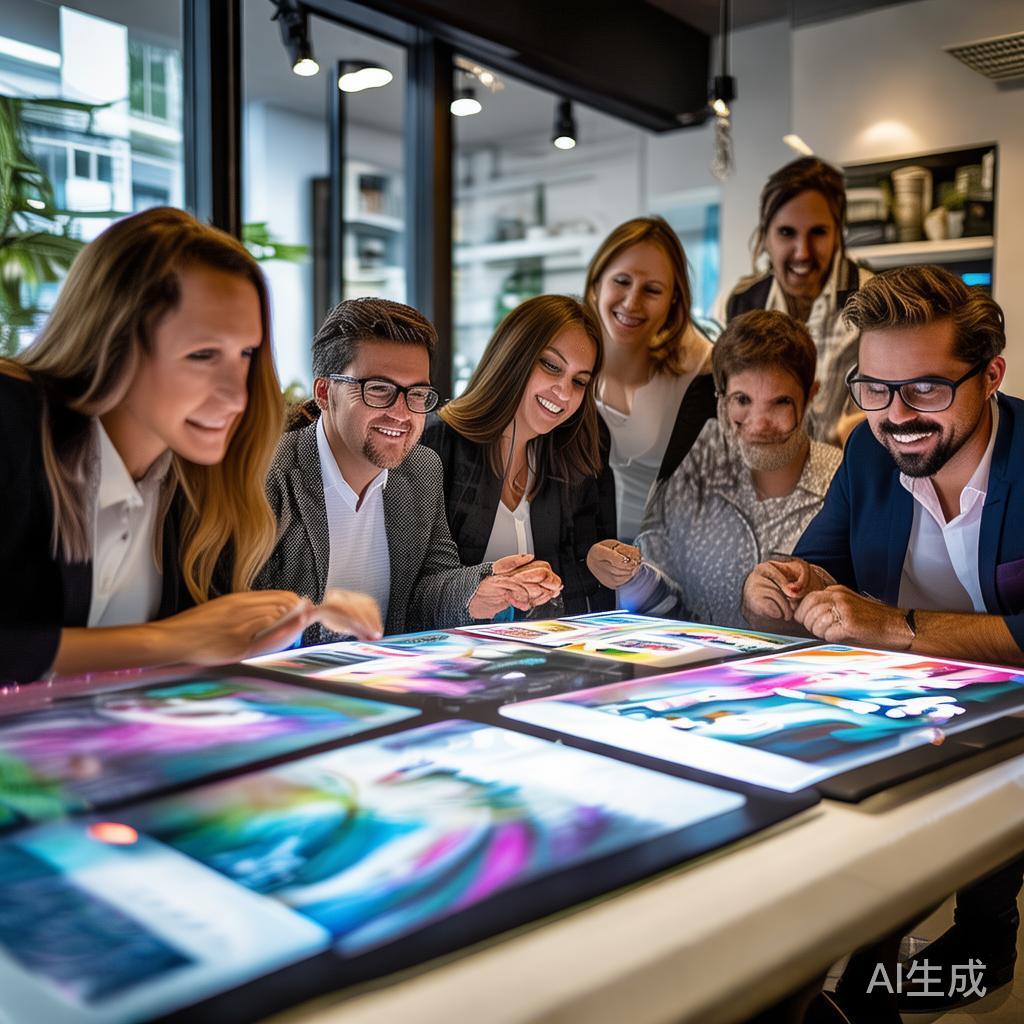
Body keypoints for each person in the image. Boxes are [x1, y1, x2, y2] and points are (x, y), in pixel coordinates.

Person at [742, 265, 1023, 1014]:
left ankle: (974, 941)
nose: (897, 415)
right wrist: (778, 579)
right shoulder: (871, 452)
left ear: (990, 374)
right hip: (909, 694)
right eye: (874, 389)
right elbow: (820, 562)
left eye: (926, 388)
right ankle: (861, 970)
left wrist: (897, 627)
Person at [0, 208, 379, 687]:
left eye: (245, 355)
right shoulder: (12, 421)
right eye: (202, 355)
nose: (236, 396)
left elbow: (190, 659)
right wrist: (172, 639)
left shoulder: (199, 481)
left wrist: (280, 625)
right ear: (112, 341)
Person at [256, 297, 562, 644]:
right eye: (379, 390)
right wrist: (323, 620)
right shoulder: (269, 476)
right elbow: (241, 615)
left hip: (387, 683)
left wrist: (481, 589)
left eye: (416, 394)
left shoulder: (421, 469)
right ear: (325, 392)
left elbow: (425, 591)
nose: (402, 414)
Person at [587, 309, 841, 629]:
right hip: (697, 672)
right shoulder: (692, 473)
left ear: (810, 396)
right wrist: (628, 574)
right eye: (742, 400)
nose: (759, 424)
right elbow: (663, 606)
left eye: (780, 402)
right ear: (720, 399)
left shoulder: (845, 482)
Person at [422, 295, 615, 617]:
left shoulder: (572, 459)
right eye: (551, 366)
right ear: (512, 356)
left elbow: (580, 601)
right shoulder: (434, 446)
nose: (564, 393)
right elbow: (405, 594)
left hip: (537, 658)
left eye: (579, 381)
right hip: (441, 657)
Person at [714, 157, 873, 444]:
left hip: (845, 480)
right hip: (758, 477)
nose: (802, 252)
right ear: (764, 237)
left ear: (837, 234)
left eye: (818, 233)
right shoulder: (737, 302)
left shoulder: (874, 301)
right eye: (786, 232)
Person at [584, 215, 716, 541]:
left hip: (659, 557)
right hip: (573, 555)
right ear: (597, 282)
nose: (632, 302)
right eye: (621, 281)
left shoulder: (701, 366)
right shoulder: (562, 354)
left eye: (652, 290)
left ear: (674, 300)